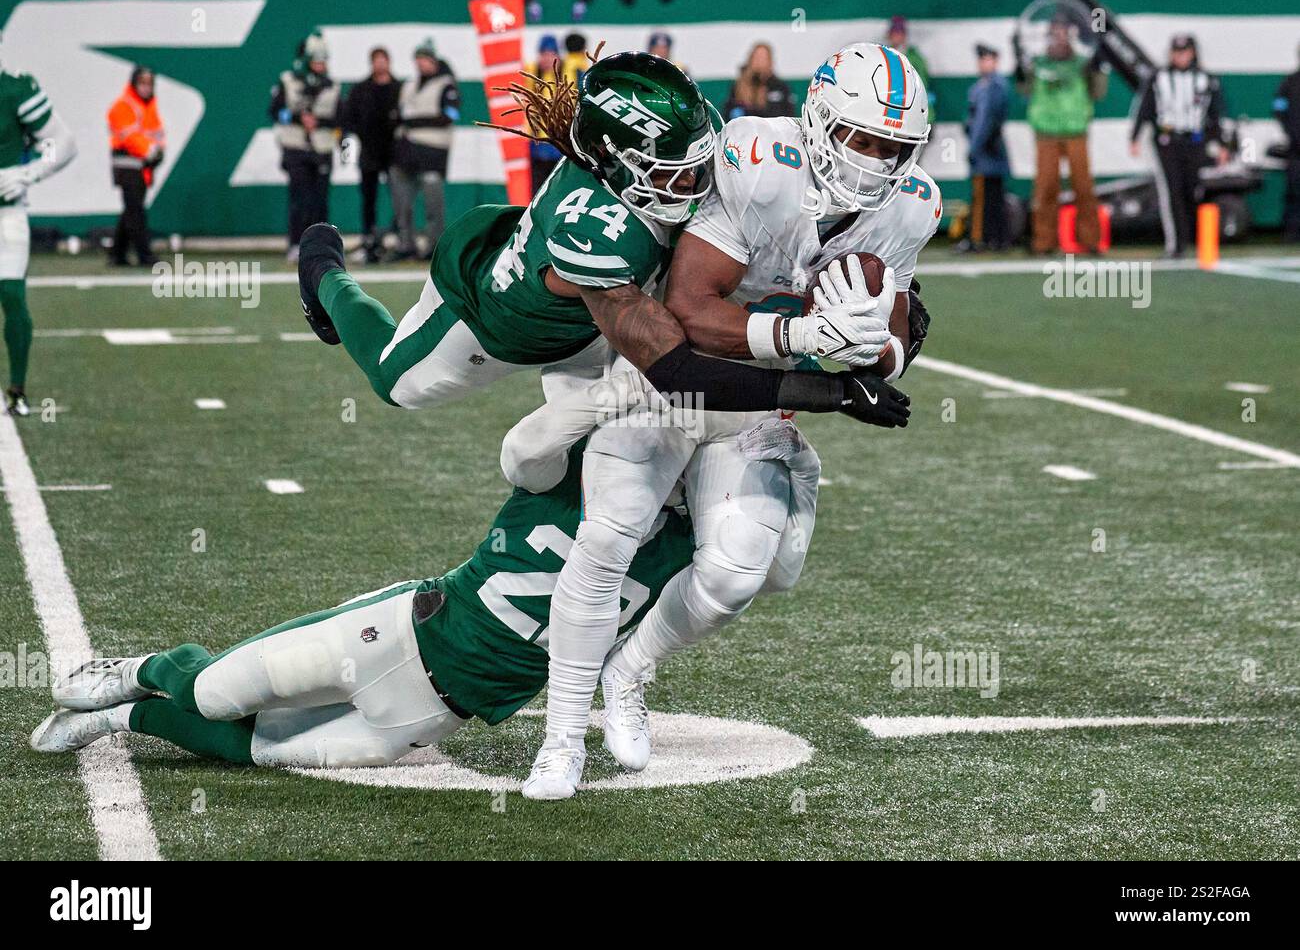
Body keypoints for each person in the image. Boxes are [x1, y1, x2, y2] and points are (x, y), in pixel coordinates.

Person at [32, 373, 818, 772]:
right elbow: (520, 450)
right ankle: (139, 669)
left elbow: (766, 573)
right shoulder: (590, 464)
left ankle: (123, 717)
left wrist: (796, 482)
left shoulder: (704, 548)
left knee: (260, 750)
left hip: (434, 714)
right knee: (213, 691)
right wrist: (606, 399)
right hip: (401, 633)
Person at [528, 42, 934, 800]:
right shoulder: (758, 158)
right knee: (609, 531)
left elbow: (900, 326)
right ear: (817, 121)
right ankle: (558, 740)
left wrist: (880, 351)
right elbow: (686, 313)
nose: (878, 163)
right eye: (863, 139)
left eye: (895, 147)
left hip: (756, 402)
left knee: (740, 573)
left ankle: (630, 668)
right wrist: (805, 337)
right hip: (667, 386)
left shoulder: (912, 205)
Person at [295, 51, 902, 428]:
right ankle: (325, 272)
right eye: (674, 170)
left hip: (605, 318)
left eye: (699, 157)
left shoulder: (687, 146)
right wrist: (829, 391)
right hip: (498, 317)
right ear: (616, 164)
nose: (696, 179)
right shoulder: (603, 233)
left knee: (614, 449)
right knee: (396, 384)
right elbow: (679, 372)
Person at [0, 53, 77, 417]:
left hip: (6, 212)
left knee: (12, 296)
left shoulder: (15, 87)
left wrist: (29, 173)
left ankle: (17, 388)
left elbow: (62, 143)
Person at [1015, 15, 1107, 256]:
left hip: (1076, 130)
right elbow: (1023, 90)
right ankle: (1043, 241)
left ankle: (1091, 241)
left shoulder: (1082, 63)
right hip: (1046, 131)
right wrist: (1019, 66)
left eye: (1063, 32)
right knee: (1046, 188)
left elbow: (1098, 93)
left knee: (1084, 187)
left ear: (1071, 35)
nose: (1059, 37)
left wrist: (1098, 68)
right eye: (1055, 32)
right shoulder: (1038, 64)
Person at [1129, 34, 1228, 258]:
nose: (1181, 56)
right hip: (1167, 141)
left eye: (1185, 52)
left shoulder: (1206, 79)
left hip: (1194, 141)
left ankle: (1195, 238)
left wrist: (1221, 144)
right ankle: (1176, 245)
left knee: (1192, 190)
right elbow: (1145, 108)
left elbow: (1215, 114)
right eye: (1177, 52)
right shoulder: (1158, 78)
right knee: (1172, 191)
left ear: (1192, 53)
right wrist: (1135, 137)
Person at [269, 31, 340, 261]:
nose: (321, 65)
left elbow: (343, 117)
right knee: (299, 198)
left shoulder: (332, 86)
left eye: (323, 61)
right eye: (316, 61)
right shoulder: (288, 81)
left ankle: (322, 245)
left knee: (320, 201)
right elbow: (275, 111)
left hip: (322, 148)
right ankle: (295, 243)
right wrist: (299, 118)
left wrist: (320, 122)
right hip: (296, 148)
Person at [389, 38, 459, 261]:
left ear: (433, 60)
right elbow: (400, 115)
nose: (420, 64)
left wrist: (414, 122)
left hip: (432, 152)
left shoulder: (446, 84)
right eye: (418, 59)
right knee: (402, 203)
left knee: (433, 203)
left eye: (424, 59)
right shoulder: (409, 84)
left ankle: (434, 246)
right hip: (407, 151)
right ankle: (405, 243)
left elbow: (449, 116)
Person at [341, 47, 401, 264]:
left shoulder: (399, 88)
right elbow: (348, 118)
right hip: (369, 151)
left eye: (383, 60)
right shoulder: (360, 90)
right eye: (376, 60)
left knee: (399, 198)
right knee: (369, 198)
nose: (380, 64)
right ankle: (369, 237)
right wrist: (353, 141)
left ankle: (397, 237)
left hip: (394, 153)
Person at [107, 66, 163, 268]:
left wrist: (159, 152)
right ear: (134, 83)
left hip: (142, 167)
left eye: (150, 83)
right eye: (142, 83)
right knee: (136, 211)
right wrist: (151, 152)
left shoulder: (150, 107)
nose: (146, 88)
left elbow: (157, 133)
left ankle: (117, 254)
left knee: (130, 210)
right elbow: (130, 137)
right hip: (127, 165)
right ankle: (144, 254)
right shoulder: (123, 105)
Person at [962, 43, 1011, 252]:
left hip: (987, 150)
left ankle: (979, 237)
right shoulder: (987, 86)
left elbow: (983, 121)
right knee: (993, 196)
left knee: (985, 197)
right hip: (991, 149)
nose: (983, 63)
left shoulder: (991, 87)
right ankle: (997, 238)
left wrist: (974, 147)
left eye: (987, 59)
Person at [523, 34, 564, 194]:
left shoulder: (570, 74)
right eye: (543, 54)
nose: (547, 59)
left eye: (550, 54)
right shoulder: (532, 74)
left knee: (558, 190)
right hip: (537, 144)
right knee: (537, 191)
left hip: (560, 144)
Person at [724, 43, 795, 120]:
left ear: (770, 61)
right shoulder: (739, 87)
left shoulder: (780, 87)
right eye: (756, 57)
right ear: (750, 60)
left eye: (763, 58)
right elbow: (729, 115)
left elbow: (788, 116)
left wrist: (763, 105)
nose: (759, 62)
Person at [886, 15, 936, 122]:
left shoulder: (915, 59)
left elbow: (922, 84)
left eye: (900, 33)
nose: (897, 36)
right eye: (894, 33)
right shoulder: (885, 56)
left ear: (904, 35)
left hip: (914, 112)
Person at [1275, 45, 1300, 243]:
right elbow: (1279, 108)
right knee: (1294, 191)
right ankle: (1292, 232)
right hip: (1296, 148)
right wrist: (1291, 132)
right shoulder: (1290, 83)